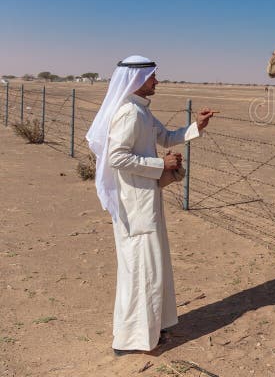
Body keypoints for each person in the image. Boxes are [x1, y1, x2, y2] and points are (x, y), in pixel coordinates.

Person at [86, 56, 214, 355]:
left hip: (144, 197)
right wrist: (161, 164)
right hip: (135, 203)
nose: (157, 82)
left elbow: (167, 136)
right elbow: (116, 157)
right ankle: (131, 340)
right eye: (152, 77)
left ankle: (152, 329)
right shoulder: (129, 114)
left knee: (151, 266)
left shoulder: (141, 112)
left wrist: (197, 126)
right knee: (140, 269)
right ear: (136, 80)